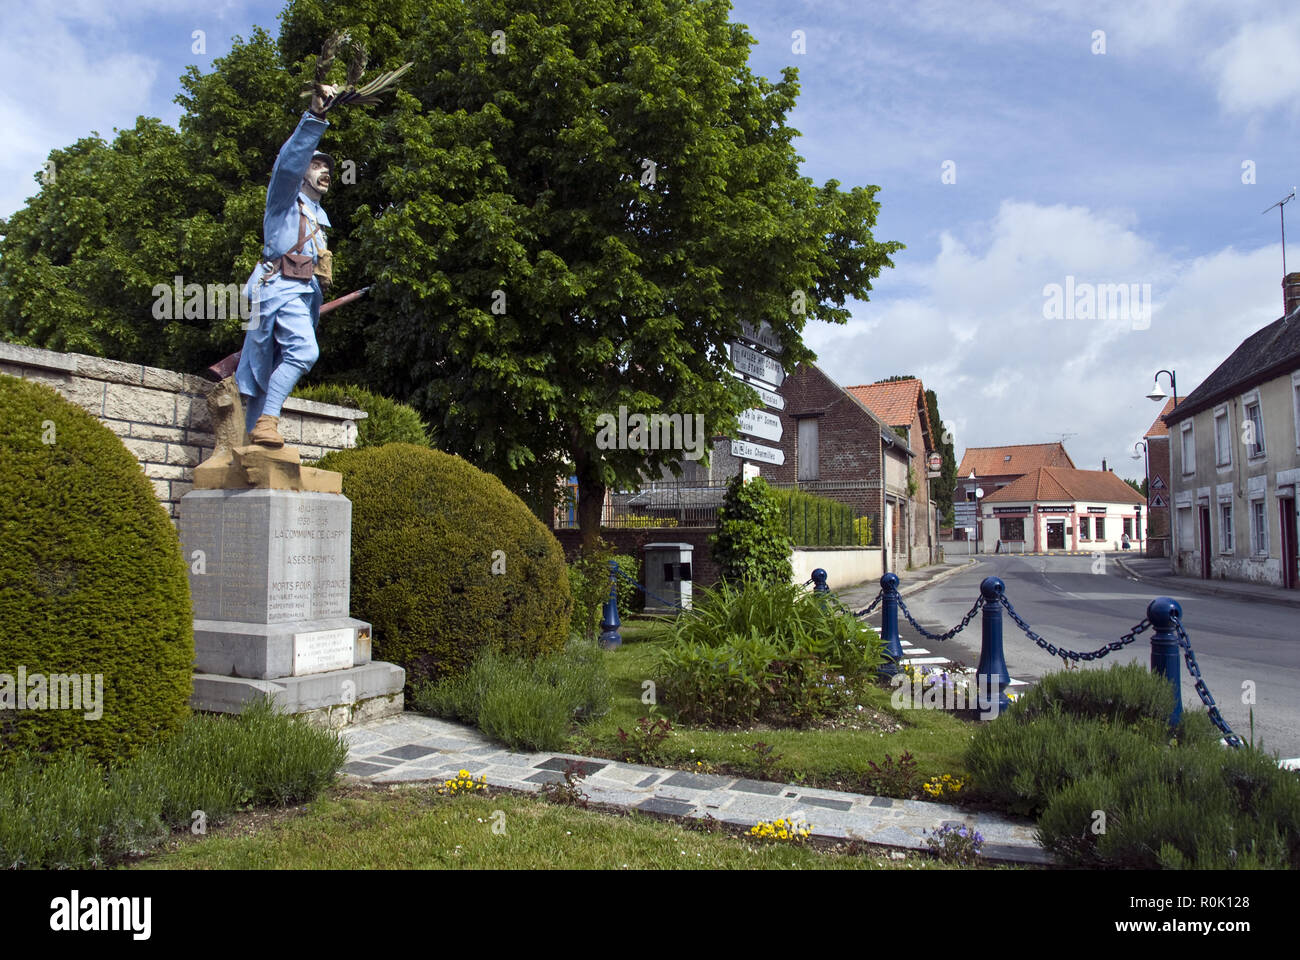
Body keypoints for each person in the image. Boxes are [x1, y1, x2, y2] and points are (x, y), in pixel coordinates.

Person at [234, 84, 339, 448]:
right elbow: (288, 163)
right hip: (278, 290)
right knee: (304, 353)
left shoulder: (318, 218)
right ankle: (266, 423)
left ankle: (253, 443)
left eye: (327, 166)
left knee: (269, 369)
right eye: (316, 164)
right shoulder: (283, 200)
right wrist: (316, 118)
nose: (324, 170)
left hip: (302, 297)